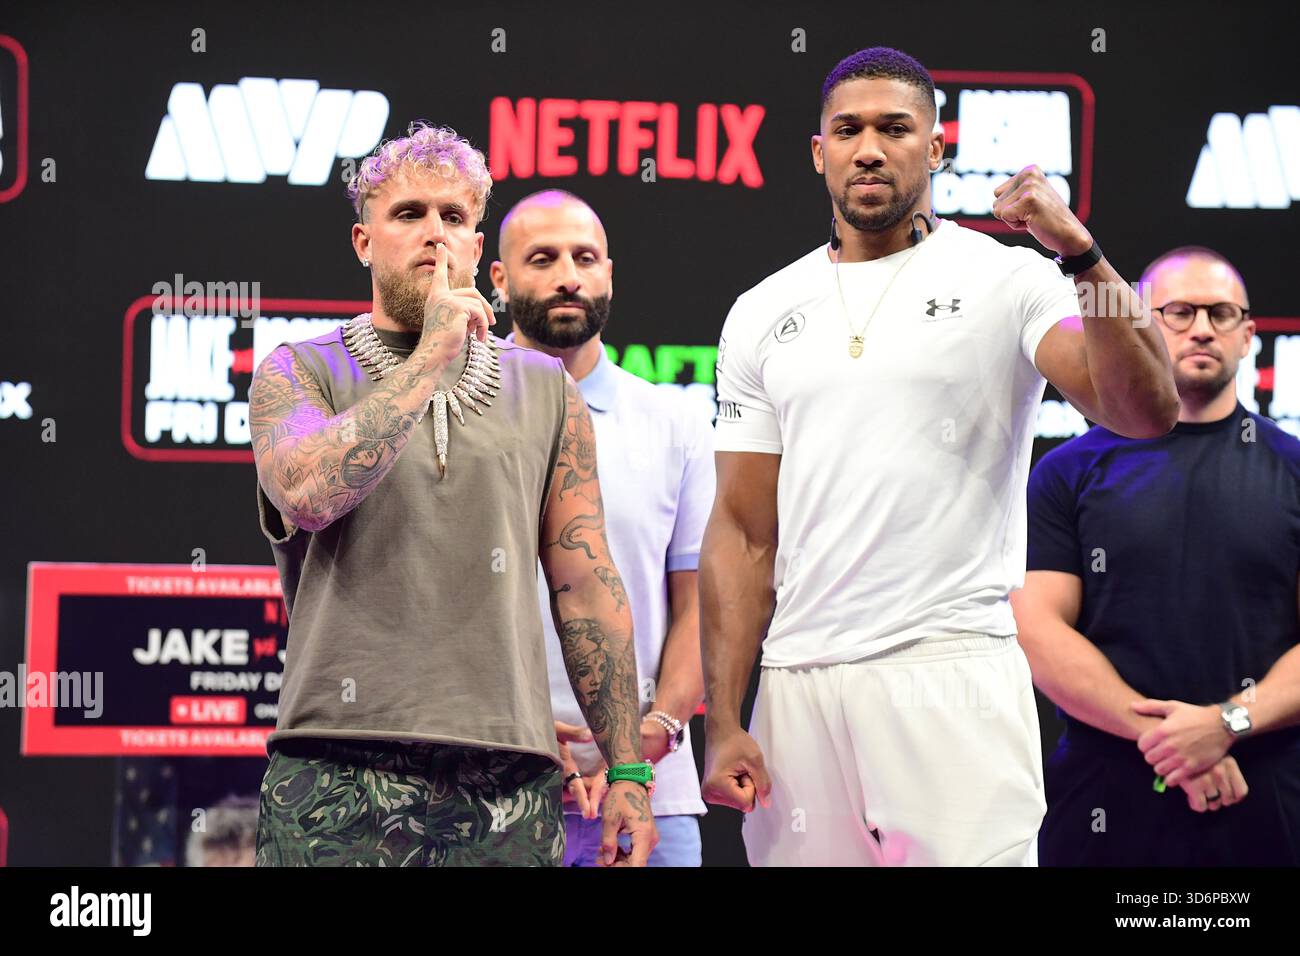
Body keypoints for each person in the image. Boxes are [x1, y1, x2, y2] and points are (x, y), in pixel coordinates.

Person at [699, 46, 1180, 866]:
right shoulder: (760, 311)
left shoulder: (1009, 279)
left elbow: (1143, 409)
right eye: (847, 130)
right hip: (799, 684)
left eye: (896, 128)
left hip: (950, 669)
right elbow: (744, 532)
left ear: (937, 147)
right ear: (819, 152)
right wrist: (722, 719)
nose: (871, 148)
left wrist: (1081, 254)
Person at [249, 123, 656, 867]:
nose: (434, 234)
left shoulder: (544, 389)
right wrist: (433, 352)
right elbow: (308, 494)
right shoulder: (297, 370)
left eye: (455, 218)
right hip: (335, 760)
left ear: (476, 249)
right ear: (364, 241)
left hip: (505, 770)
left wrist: (626, 765)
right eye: (409, 214)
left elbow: (585, 586)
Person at [1013, 246, 1300, 865]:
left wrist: (1226, 724)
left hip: (1266, 794)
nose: (1201, 327)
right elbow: (1037, 628)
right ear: (1140, 323)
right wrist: (1172, 740)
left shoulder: (1295, 471)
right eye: (1178, 312)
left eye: (1221, 313)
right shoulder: (1069, 472)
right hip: (1103, 798)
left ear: (1249, 336)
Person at [490, 189, 714, 866]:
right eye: (542, 258)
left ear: (608, 273)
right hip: (490, 789)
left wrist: (647, 736)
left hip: (650, 793)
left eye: (584, 257)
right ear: (497, 280)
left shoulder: (677, 422)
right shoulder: (457, 412)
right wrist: (510, 733)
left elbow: (703, 607)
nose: (568, 274)